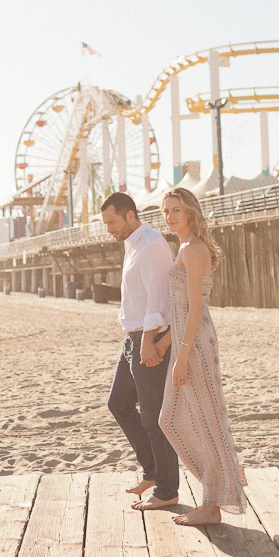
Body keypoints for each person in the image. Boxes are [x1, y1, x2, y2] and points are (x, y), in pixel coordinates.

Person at [157, 187, 247, 525]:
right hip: (184, 342)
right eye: (166, 211)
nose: (169, 217)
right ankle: (224, 478)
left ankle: (213, 502)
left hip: (194, 345)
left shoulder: (193, 249)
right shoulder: (184, 247)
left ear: (191, 213)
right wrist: (168, 343)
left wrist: (180, 355)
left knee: (208, 420)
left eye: (176, 210)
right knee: (171, 419)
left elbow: (196, 308)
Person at [101, 191, 180, 510]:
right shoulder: (132, 243)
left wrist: (150, 341)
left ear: (130, 215)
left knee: (153, 417)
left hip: (148, 335)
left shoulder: (150, 245)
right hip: (132, 337)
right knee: (118, 403)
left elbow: (158, 299)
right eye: (106, 223)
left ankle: (166, 490)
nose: (108, 229)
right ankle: (151, 471)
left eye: (112, 222)